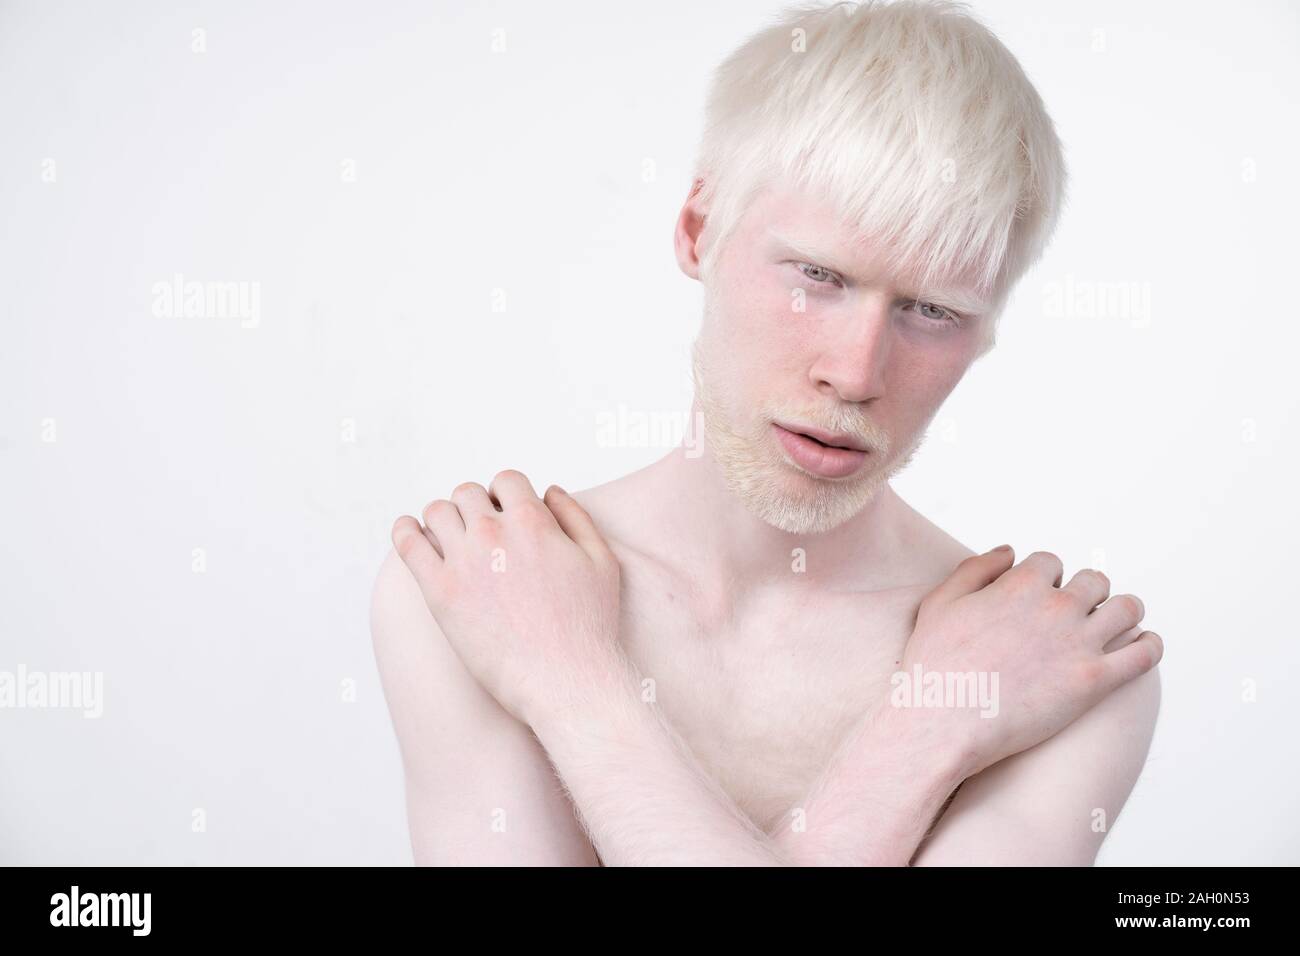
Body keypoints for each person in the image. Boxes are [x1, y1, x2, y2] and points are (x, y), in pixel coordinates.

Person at [371, 0, 1162, 866]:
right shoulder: (475, 588)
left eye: (931, 311)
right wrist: (927, 735)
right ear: (698, 231)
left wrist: (570, 687)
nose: (855, 374)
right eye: (817, 278)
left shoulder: (1061, 667)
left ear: (990, 327)